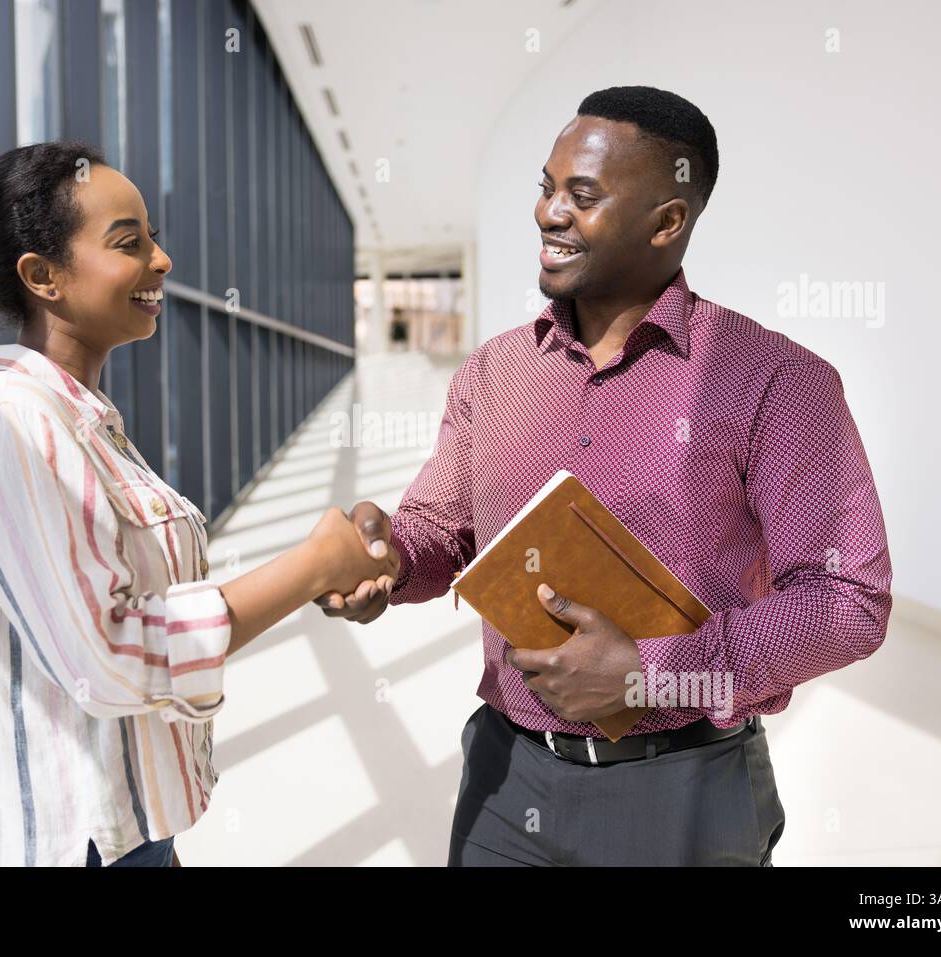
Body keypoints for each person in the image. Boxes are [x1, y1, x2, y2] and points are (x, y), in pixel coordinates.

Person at [318, 86, 893, 866]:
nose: (548, 213)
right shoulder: (493, 374)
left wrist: (656, 676)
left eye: (581, 196)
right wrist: (388, 560)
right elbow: (440, 532)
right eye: (546, 188)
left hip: (683, 789)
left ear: (667, 222)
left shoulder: (778, 383)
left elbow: (847, 600)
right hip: (503, 775)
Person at [0, 142, 398, 866]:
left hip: (124, 830)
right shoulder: (12, 426)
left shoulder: (82, 422)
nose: (163, 260)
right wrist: (310, 567)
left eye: (154, 236)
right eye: (130, 243)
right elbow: (109, 655)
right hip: (53, 841)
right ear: (42, 276)